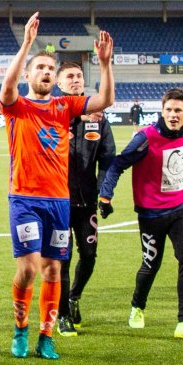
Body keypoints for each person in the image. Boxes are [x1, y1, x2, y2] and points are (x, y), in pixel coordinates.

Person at [0, 12, 115, 360]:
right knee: (29, 268)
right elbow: (6, 88)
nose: (47, 73)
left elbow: (105, 100)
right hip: (24, 199)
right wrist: (26, 47)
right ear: (29, 75)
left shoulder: (65, 106)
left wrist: (106, 64)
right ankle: (21, 329)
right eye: (41, 69)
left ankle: (46, 336)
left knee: (52, 269)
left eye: (51, 69)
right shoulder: (17, 108)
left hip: (58, 202)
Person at [98, 88, 183, 340]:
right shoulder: (145, 138)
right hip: (151, 213)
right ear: (162, 111)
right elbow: (117, 165)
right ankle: (137, 306)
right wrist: (105, 196)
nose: (173, 115)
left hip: (182, 207)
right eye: (168, 110)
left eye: (178, 110)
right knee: (151, 264)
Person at [57, 61, 116, 335]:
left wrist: (105, 193)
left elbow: (107, 158)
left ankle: (74, 296)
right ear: (59, 83)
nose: (75, 80)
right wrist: (78, 117)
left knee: (89, 255)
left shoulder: (99, 117)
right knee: (63, 257)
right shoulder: (54, 111)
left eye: (79, 76)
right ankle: (62, 315)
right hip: (57, 201)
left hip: (87, 200)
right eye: (69, 76)